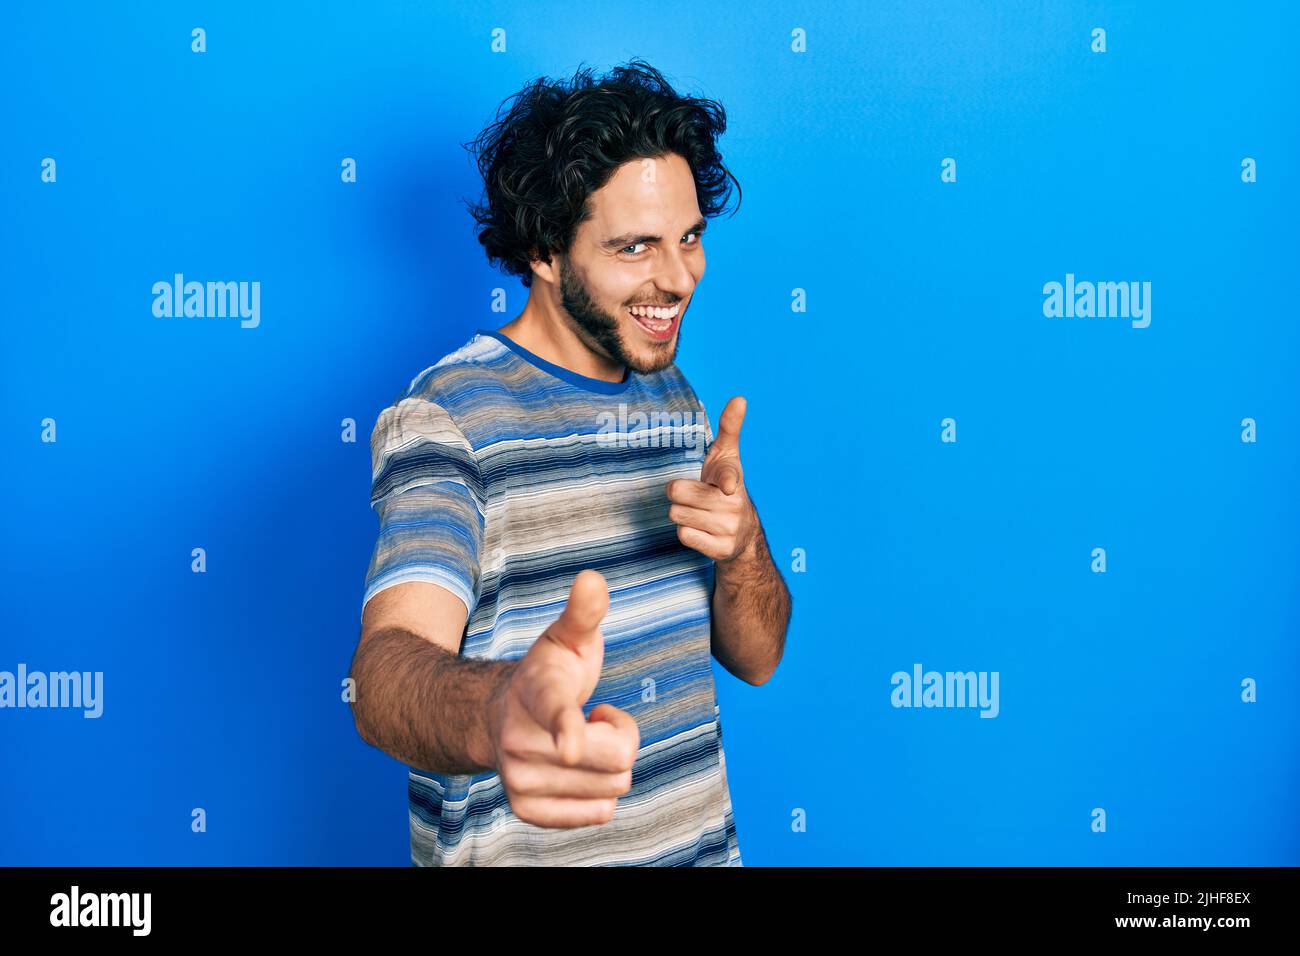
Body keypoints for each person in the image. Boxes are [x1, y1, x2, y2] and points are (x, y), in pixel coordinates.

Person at [348, 59, 792, 866]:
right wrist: (500, 712)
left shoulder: (676, 400)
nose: (677, 277)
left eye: (689, 237)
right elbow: (384, 675)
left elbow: (757, 659)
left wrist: (744, 549)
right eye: (635, 248)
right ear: (546, 252)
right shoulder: (448, 417)